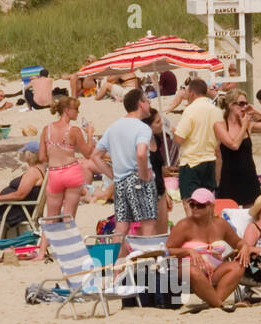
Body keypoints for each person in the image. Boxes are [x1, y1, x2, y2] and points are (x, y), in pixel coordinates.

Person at [166, 188, 244, 309]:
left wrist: (244, 248)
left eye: (200, 205)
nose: (195, 208)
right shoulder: (184, 225)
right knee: (193, 271)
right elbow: (168, 250)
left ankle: (214, 302)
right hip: (187, 271)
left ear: (211, 206)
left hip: (215, 271)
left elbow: (238, 242)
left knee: (238, 266)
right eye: (192, 205)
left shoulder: (220, 224)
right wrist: (189, 251)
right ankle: (219, 304)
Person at [97, 88, 158, 238]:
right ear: (140, 104)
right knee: (148, 224)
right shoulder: (142, 127)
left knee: (121, 226)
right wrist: (144, 175)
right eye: (147, 100)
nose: (149, 104)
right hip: (138, 179)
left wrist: (113, 175)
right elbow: (141, 152)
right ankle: (146, 261)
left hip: (120, 182)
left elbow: (95, 156)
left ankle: (116, 260)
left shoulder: (113, 127)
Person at [214, 90, 261, 208]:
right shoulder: (220, 125)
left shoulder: (248, 125)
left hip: (249, 176)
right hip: (229, 178)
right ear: (230, 105)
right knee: (229, 219)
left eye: (246, 104)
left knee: (250, 217)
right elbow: (234, 145)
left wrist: (256, 111)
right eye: (241, 104)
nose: (244, 107)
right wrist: (244, 125)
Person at [41, 96, 97, 222]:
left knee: (51, 218)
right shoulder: (74, 130)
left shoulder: (47, 129)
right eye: (76, 109)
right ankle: (68, 241)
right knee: (69, 217)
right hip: (71, 171)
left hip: (55, 172)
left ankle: (44, 242)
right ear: (67, 110)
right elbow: (88, 153)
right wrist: (89, 134)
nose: (78, 112)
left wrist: (56, 154)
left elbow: (42, 157)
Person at [173, 78, 220, 208]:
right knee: (208, 201)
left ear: (192, 93)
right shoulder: (215, 110)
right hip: (210, 160)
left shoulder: (191, 110)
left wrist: (173, 132)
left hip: (192, 161)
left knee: (189, 202)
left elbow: (179, 139)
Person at [143, 109, 175, 234]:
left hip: (160, 189)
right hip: (146, 191)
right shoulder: (141, 144)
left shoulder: (157, 139)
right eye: (157, 122)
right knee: (150, 231)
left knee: (162, 230)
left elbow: (159, 169)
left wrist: (166, 193)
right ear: (148, 127)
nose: (161, 123)